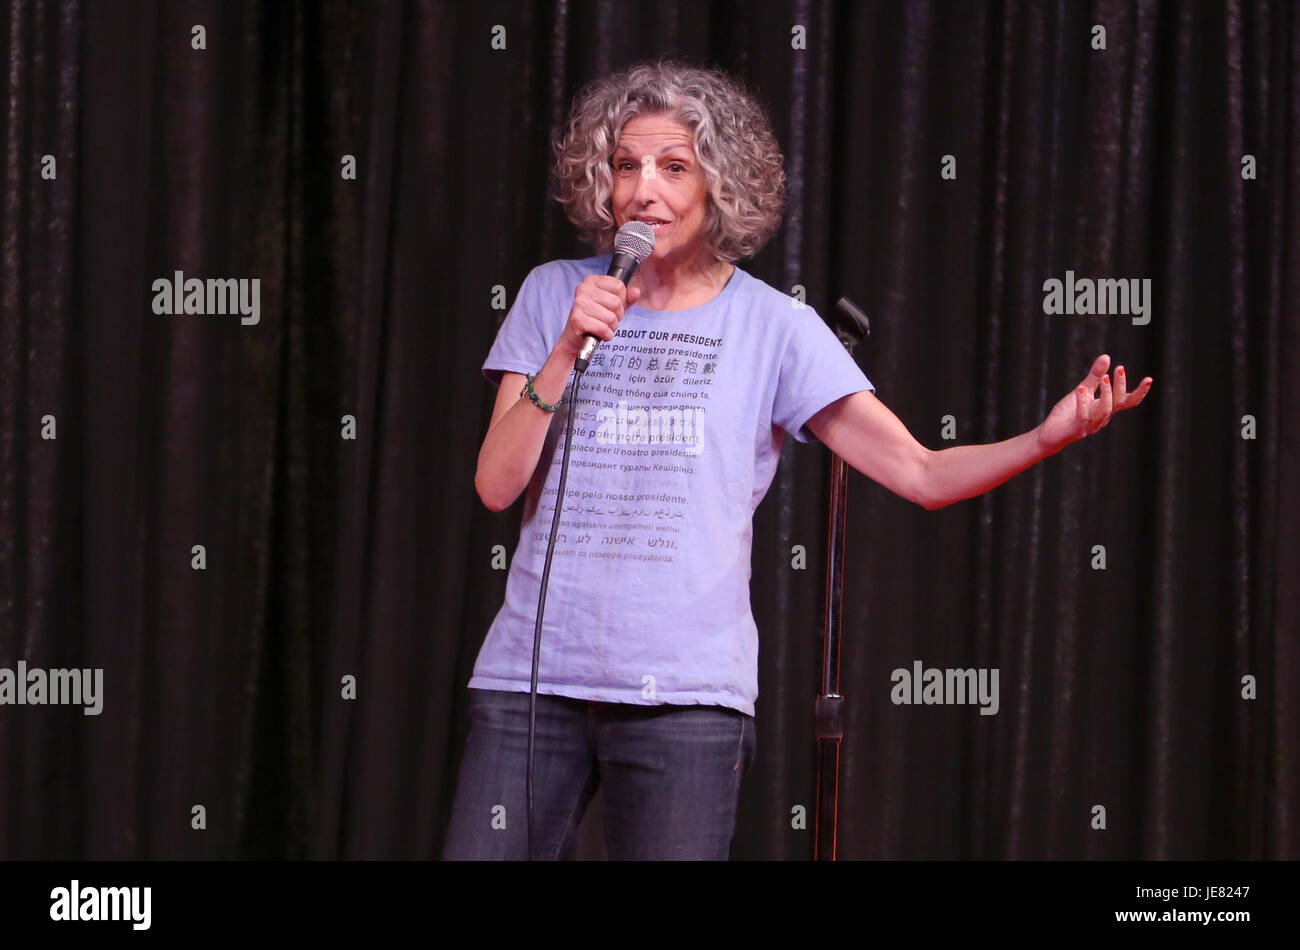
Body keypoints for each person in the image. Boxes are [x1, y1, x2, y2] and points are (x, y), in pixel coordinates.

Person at [442, 59, 1152, 861]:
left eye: (673, 167)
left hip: (686, 700)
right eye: (625, 165)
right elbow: (496, 486)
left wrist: (1044, 438)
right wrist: (567, 348)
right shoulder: (552, 296)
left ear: (718, 183)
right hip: (532, 688)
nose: (644, 190)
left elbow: (917, 475)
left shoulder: (776, 327)